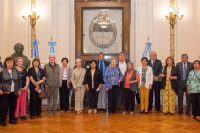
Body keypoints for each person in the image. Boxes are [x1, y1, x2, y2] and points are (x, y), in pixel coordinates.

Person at [0, 57, 21, 126]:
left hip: (14, 92)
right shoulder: (2, 72)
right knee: (4, 107)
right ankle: (2, 120)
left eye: (11, 62)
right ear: (5, 63)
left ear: (13, 63)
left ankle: (12, 119)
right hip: (5, 93)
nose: (10, 64)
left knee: (13, 106)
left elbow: (19, 81)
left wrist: (19, 89)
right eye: (8, 62)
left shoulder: (16, 71)